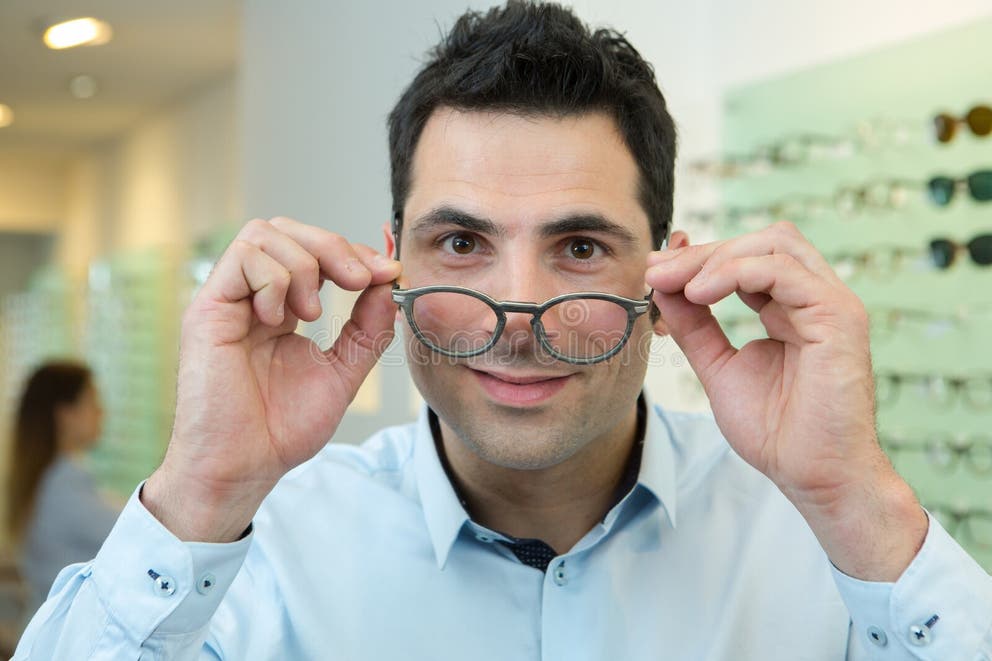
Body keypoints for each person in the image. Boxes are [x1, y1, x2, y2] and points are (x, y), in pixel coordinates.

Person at [15, 2, 992, 659]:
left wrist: (858, 500)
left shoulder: (821, 547)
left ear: (668, 270)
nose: (515, 318)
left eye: (576, 246)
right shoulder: (263, 551)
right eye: (461, 241)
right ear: (391, 260)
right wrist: (200, 488)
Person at [4, 361, 119, 624]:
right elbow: (132, 531)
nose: (102, 412)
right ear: (65, 413)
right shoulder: (62, 483)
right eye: (93, 401)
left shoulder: (45, 475)